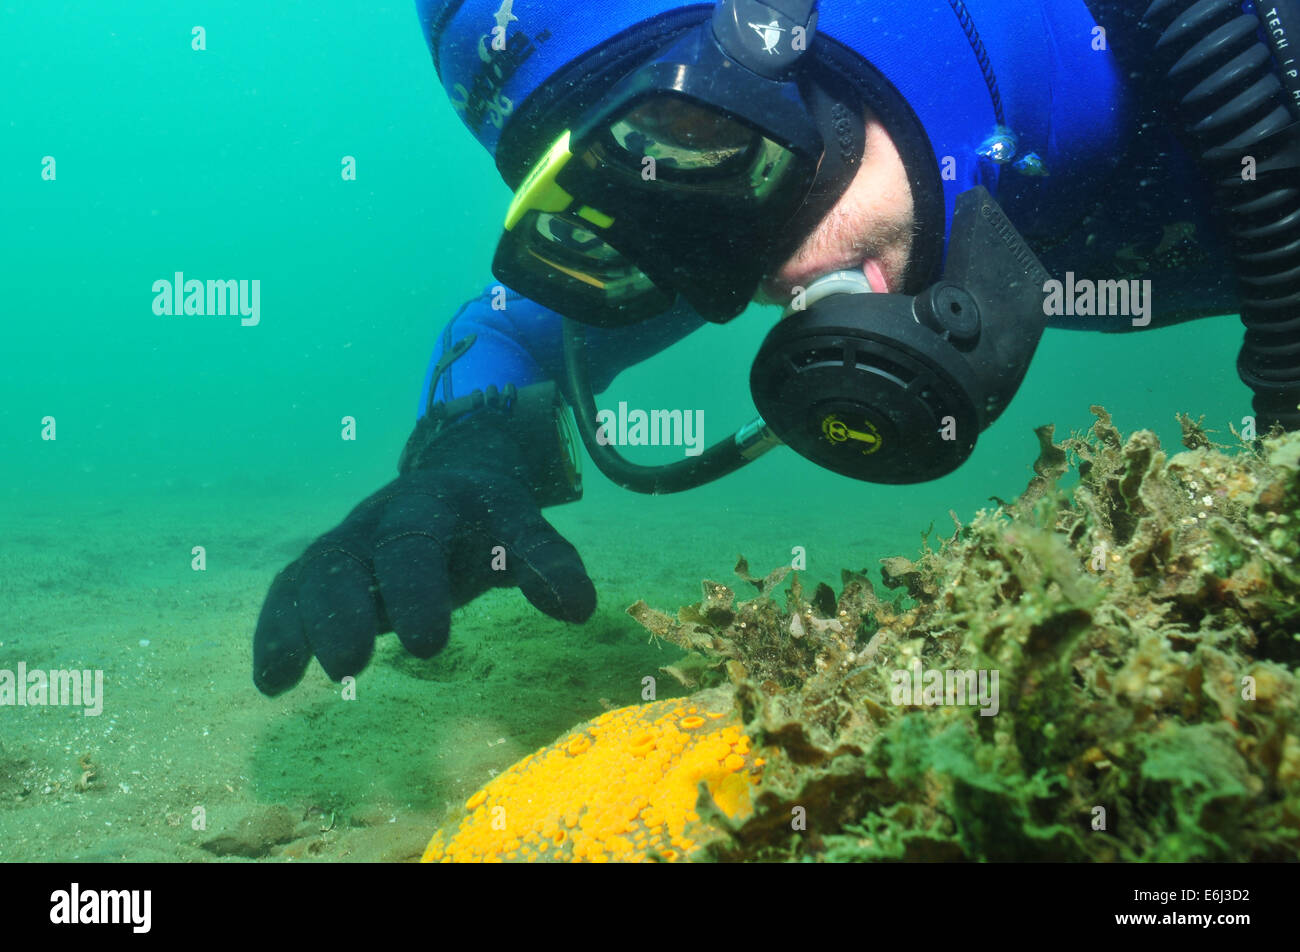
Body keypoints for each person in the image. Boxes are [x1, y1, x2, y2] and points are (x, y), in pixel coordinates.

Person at [253, 0, 1300, 695]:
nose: (758, 283)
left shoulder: (1236, 47)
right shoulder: (758, 211)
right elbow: (502, 324)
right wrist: (468, 448)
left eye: (698, 143)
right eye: (645, 233)